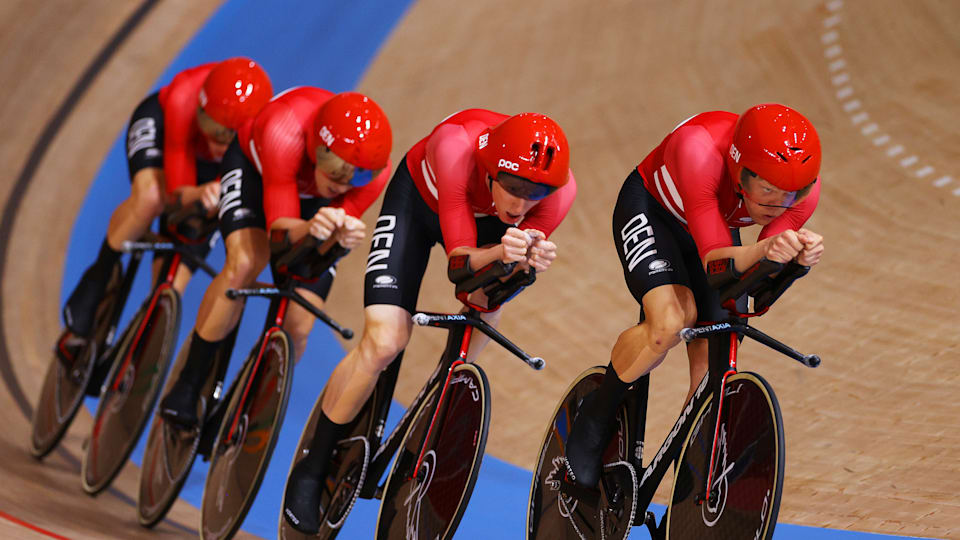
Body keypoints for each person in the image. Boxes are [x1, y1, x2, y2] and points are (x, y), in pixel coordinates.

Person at [282, 109, 578, 534]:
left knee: (472, 341)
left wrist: (525, 267)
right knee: (385, 341)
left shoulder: (559, 194)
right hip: (420, 207)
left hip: (487, 229)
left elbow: (481, 290)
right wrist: (503, 254)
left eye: (536, 193)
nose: (522, 204)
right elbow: (459, 267)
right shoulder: (454, 147)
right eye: (513, 188)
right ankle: (312, 469)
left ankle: (433, 410)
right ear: (492, 170)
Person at [564, 103, 826, 488]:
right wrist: (764, 253)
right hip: (655, 211)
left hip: (713, 228)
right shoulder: (697, 149)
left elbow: (753, 288)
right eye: (767, 189)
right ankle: (596, 415)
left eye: (790, 195)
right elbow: (716, 264)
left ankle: (689, 478)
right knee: (670, 323)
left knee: (715, 363)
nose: (777, 205)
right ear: (739, 171)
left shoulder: (803, 193)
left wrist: (795, 264)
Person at [157, 89, 393, 429]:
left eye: (357, 175)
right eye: (336, 169)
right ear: (316, 145)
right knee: (244, 265)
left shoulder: (375, 174)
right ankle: (188, 384)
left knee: (299, 326)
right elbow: (278, 233)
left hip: (311, 206)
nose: (344, 184)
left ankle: (248, 408)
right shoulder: (284, 131)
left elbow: (321, 246)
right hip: (257, 174)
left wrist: (339, 241)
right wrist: (312, 228)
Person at [60, 57, 273, 347]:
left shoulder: (261, 138)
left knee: (173, 287)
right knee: (151, 198)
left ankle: (140, 342)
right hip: (167, 132)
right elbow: (176, 194)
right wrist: (198, 194)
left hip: (212, 169)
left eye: (229, 136)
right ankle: (97, 278)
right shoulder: (182, 99)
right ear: (200, 107)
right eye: (211, 124)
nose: (217, 140)